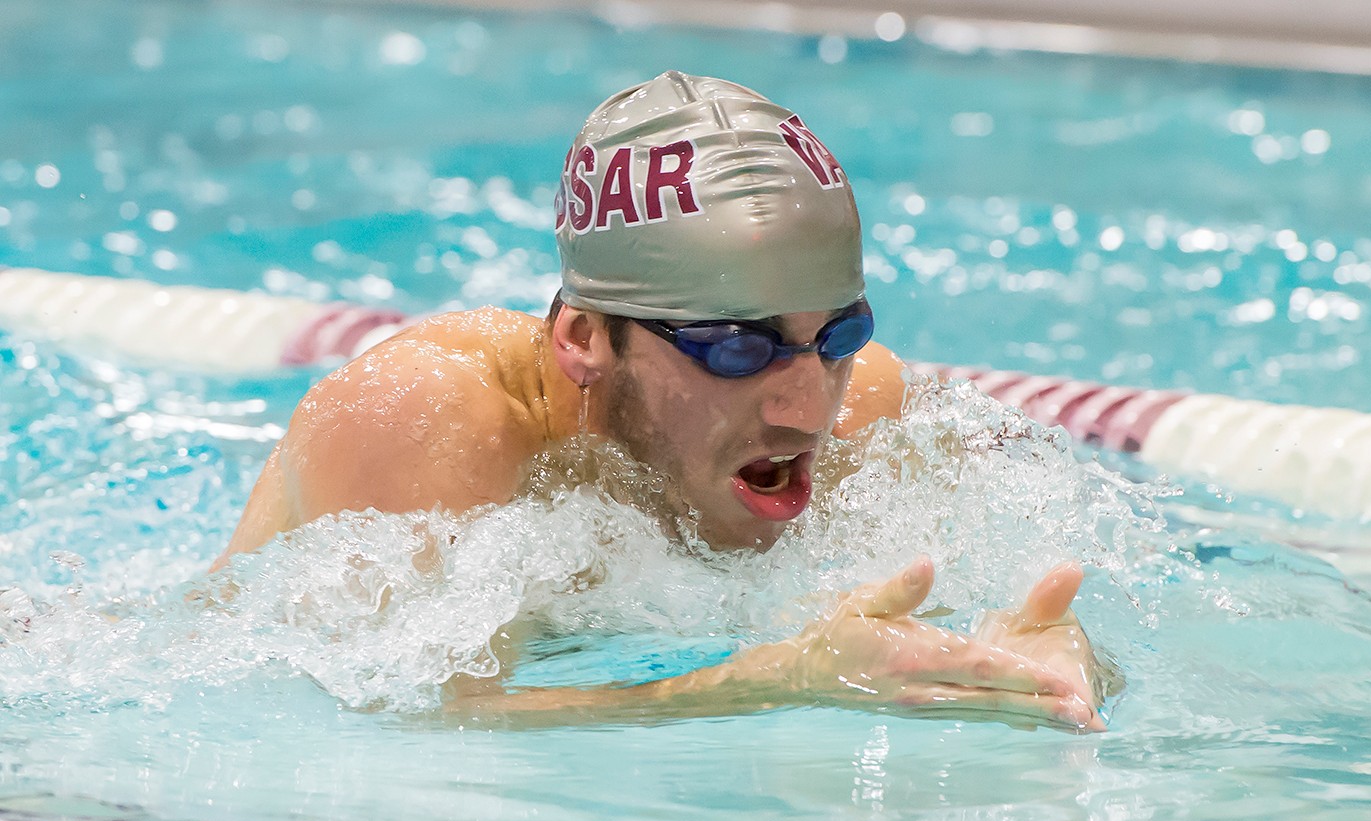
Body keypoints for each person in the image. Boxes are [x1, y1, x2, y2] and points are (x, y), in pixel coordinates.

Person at [214, 71, 1107, 731]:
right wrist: (775, 677)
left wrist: (1040, 662)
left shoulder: (863, 405)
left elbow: (954, 625)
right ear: (584, 340)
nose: (806, 410)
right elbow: (422, 725)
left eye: (834, 335)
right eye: (735, 348)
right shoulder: (430, 416)